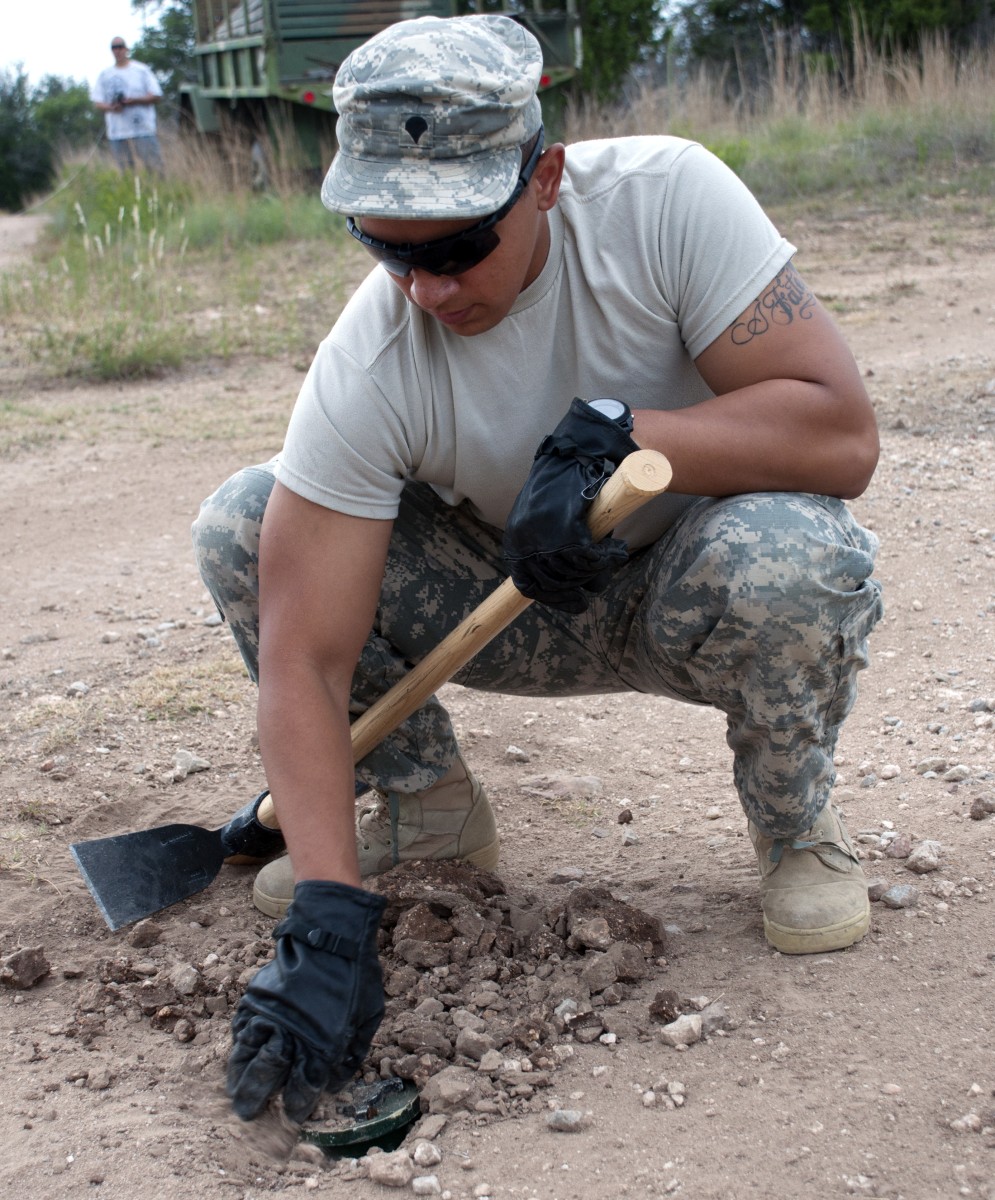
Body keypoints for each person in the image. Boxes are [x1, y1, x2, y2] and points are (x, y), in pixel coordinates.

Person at [191, 14, 884, 1124]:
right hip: (506, 606)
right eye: (387, 247)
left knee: (792, 554)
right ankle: (425, 816)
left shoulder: (668, 203)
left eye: (457, 246)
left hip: (687, 589)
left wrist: (619, 432)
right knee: (244, 522)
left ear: (545, 176)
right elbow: (305, 662)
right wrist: (324, 915)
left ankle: (794, 826)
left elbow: (841, 437)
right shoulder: (372, 359)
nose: (425, 288)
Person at [91, 38, 164, 174]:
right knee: (127, 174)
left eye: (120, 47)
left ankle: (157, 194)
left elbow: (156, 95)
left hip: (143, 129)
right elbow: (98, 102)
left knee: (155, 169)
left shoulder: (141, 70)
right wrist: (111, 107)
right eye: (114, 47)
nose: (117, 50)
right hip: (117, 133)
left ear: (126, 49)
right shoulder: (105, 75)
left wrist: (134, 101)